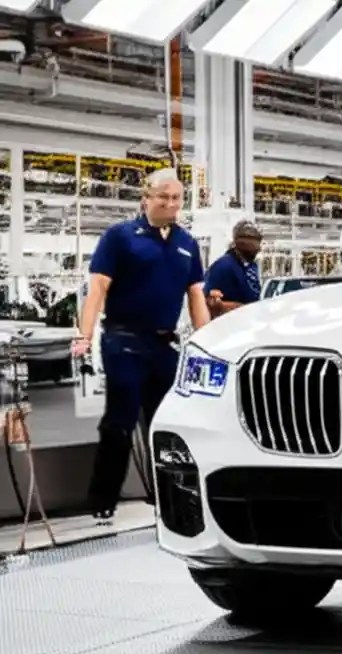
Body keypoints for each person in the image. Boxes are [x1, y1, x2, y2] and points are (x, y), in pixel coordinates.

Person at [72, 168, 211, 520]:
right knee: (121, 419)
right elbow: (97, 288)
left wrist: (208, 340)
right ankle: (102, 499)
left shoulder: (186, 243)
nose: (170, 203)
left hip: (164, 346)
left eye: (176, 197)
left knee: (165, 425)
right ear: (145, 198)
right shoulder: (120, 237)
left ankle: (167, 501)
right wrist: (83, 335)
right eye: (162, 196)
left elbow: (195, 295)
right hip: (123, 342)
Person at [204, 220, 263, 319]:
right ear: (242, 243)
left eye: (259, 242)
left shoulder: (252, 266)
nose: (258, 248)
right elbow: (207, 302)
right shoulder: (223, 266)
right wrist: (239, 308)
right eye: (255, 243)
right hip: (228, 327)